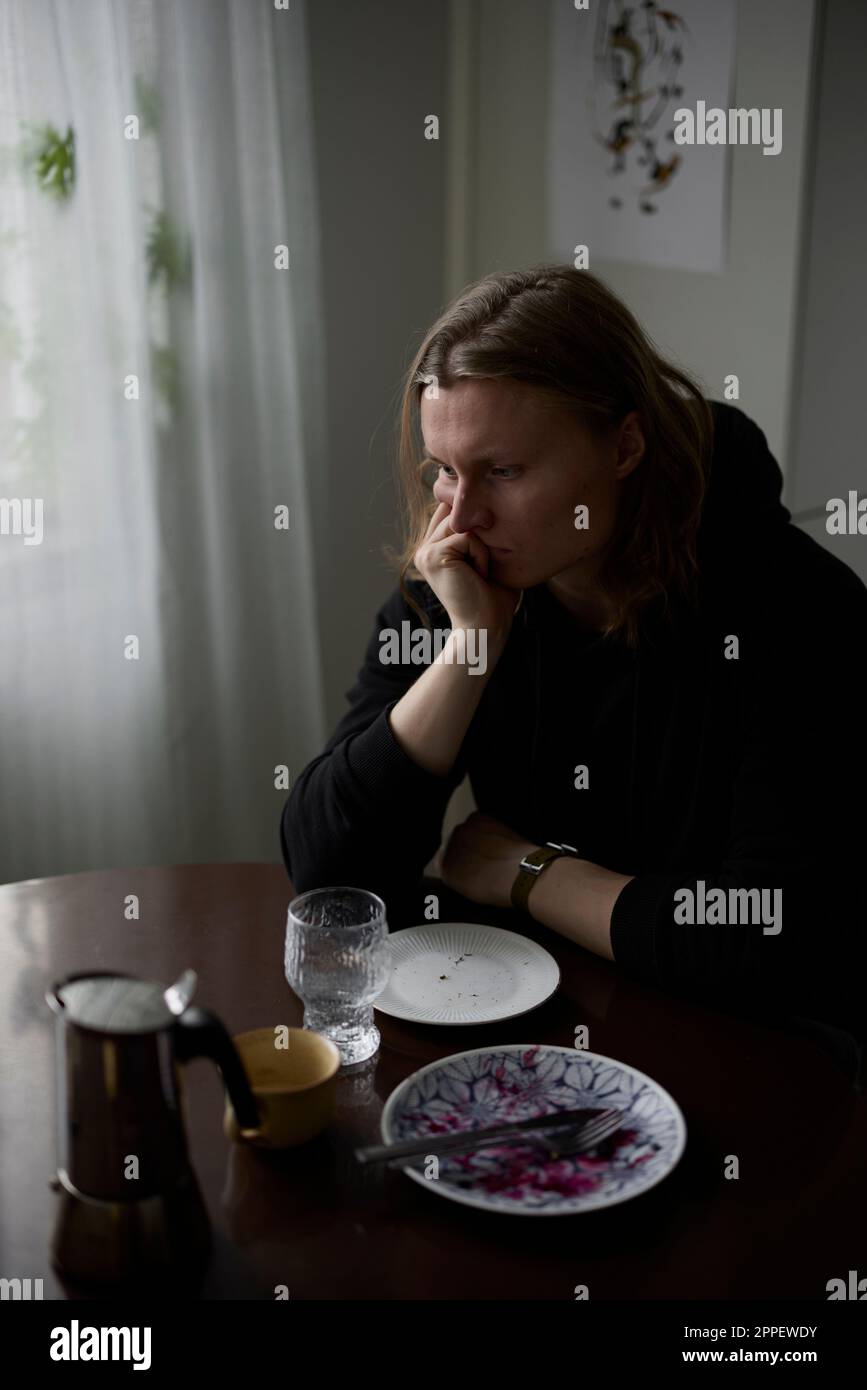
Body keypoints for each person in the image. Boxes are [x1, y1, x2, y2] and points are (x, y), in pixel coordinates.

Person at [280, 265, 867, 1062]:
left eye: (505, 471)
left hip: (742, 1052)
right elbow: (330, 877)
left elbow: (766, 939)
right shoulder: (466, 580)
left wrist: (529, 872)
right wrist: (469, 651)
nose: (461, 515)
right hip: (536, 1013)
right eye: (444, 470)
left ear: (623, 445)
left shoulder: (797, 610)